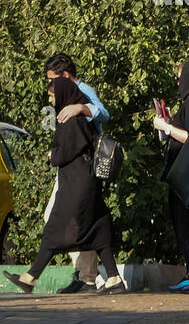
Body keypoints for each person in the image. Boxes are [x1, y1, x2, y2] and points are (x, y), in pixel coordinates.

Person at [5, 78, 125, 295]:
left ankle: (30, 277)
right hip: (84, 182)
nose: (51, 100)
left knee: (54, 228)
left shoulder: (70, 119)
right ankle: (114, 278)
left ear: (62, 93)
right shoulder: (76, 117)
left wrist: (53, 155)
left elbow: (66, 152)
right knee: (97, 228)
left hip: (75, 186)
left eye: (52, 95)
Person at [42, 53, 110, 294]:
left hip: (82, 169)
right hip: (69, 172)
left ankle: (87, 277)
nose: (50, 86)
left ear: (66, 76)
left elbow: (103, 113)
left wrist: (80, 107)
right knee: (75, 220)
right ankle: (88, 276)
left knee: (65, 218)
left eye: (52, 80)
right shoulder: (63, 95)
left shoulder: (83, 90)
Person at [153, 61, 189, 293]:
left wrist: (165, 127)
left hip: (185, 175)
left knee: (186, 224)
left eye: (180, 78)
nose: (178, 83)